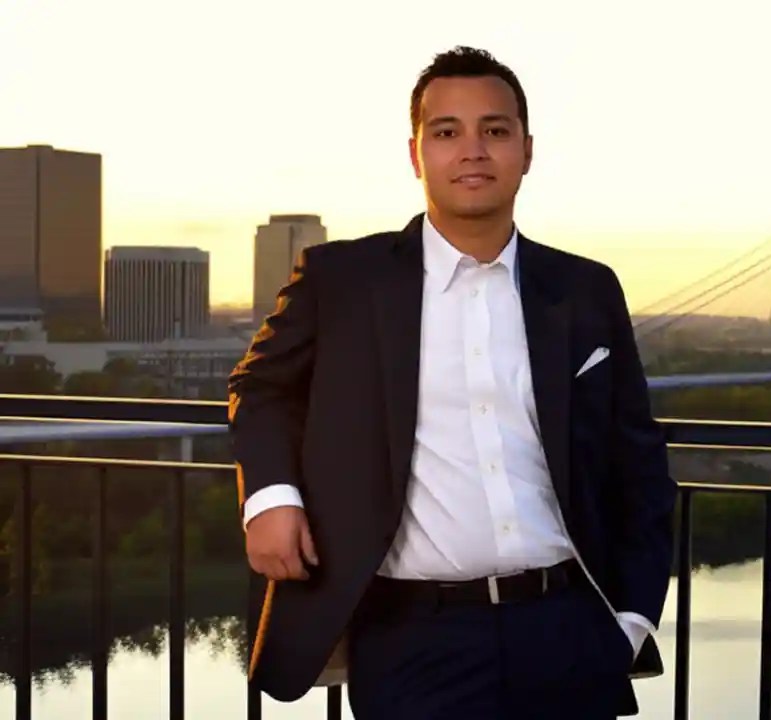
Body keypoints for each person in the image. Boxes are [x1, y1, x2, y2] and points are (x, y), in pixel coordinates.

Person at [228, 45, 676, 719]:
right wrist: (270, 498)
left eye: (495, 131)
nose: (473, 150)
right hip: (412, 641)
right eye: (447, 132)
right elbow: (261, 388)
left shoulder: (585, 289)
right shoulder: (342, 280)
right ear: (416, 155)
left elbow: (637, 460)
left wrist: (632, 622)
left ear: (527, 150)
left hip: (571, 632)